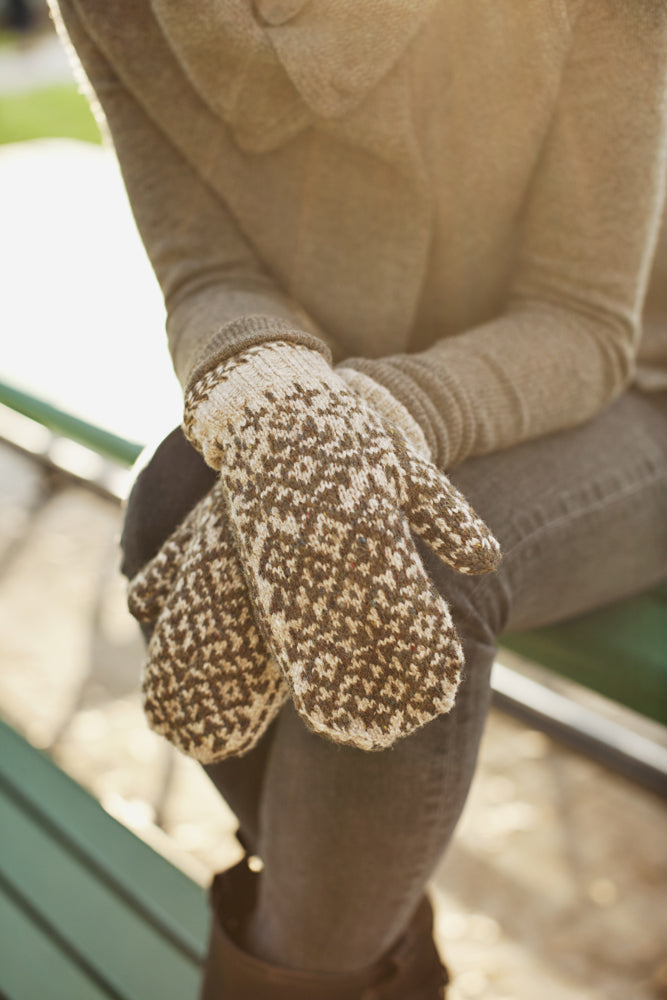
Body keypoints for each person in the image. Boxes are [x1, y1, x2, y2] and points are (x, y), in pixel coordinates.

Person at [51, 1, 667, 997]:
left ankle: (304, 962)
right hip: (341, 373)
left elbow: (582, 320)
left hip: (626, 389)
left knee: (392, 566)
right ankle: (365, 948)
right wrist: (268, 380)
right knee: (169, 501)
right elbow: (208, 266)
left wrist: (375, 415)